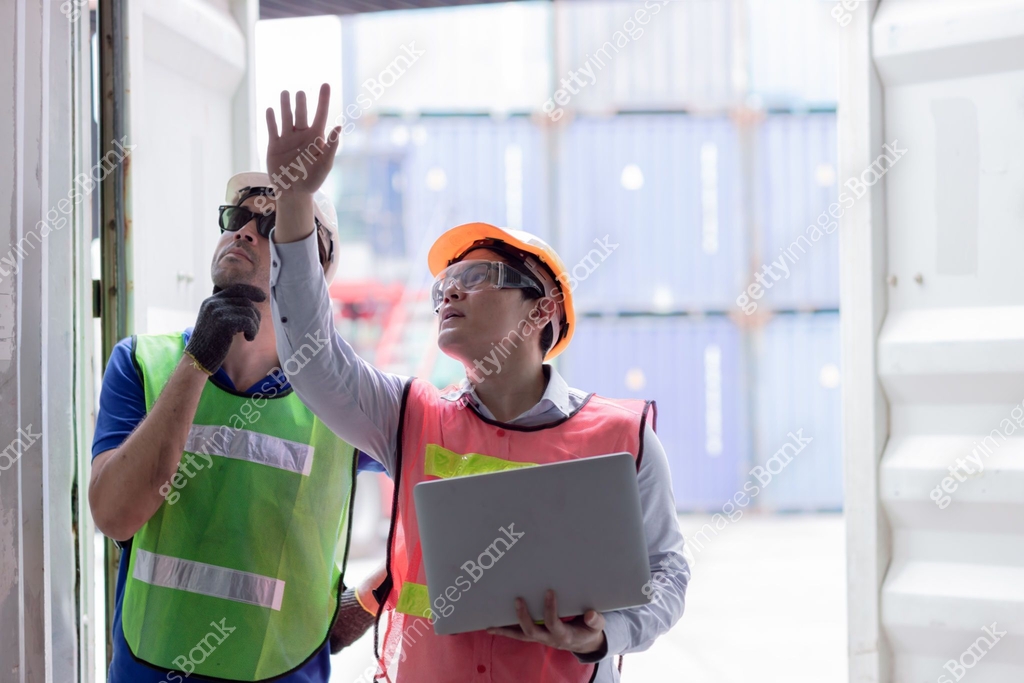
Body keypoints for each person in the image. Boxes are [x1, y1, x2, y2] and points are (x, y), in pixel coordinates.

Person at [264, 84, 688, 682]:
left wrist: (600, 635)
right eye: (444, 286)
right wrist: (295, 202)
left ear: (541, 311)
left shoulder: (624, 437)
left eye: (478, 276)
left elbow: (668, 571)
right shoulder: (408, 415)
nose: (450, 293)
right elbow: (312, 360)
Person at [88, 172, 383, 683]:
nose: (244, 231)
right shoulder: (142, 363)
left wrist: (372, 598)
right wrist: (197, 361)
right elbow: (114, 515)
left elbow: (454, 485)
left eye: (270, 226)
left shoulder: (344, 396)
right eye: (237, 217)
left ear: (311, 270)